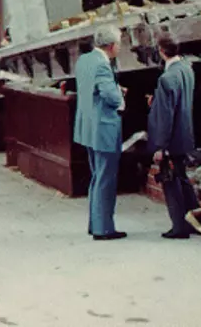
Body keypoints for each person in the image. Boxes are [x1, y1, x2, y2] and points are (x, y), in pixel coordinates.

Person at [74, 25, 127, 241]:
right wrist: (119, 95)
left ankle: (95, 223)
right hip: (103, 126)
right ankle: (103, 228)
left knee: (97, 176)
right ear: (112, 45)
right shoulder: (103, 66)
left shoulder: (83, 61)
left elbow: (93, 89)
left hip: (87, 126)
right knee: (106, 177)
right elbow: (110, 97)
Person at [147, 33, 201, 239]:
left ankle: (179, 227)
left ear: (161, 51)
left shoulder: (166, 78)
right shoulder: (187, 70)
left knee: (171, 182)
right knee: (183, 179)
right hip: (184, 134)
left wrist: (160, 147)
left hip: (170, 139)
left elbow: (166, 116)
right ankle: (197, 222)